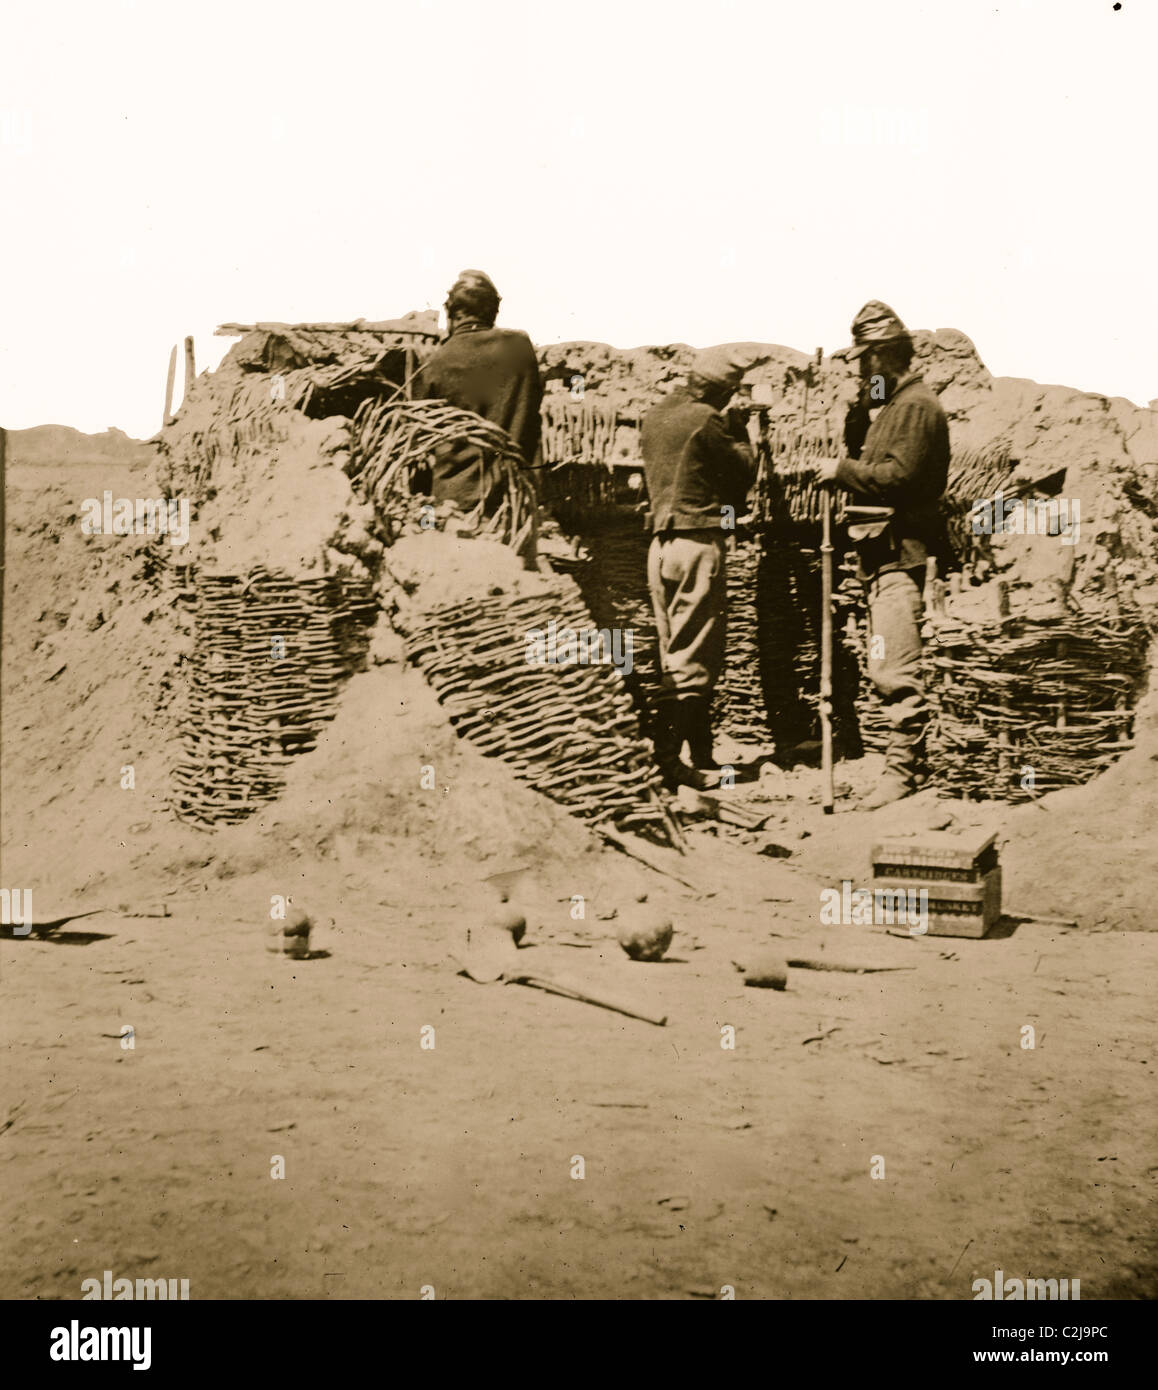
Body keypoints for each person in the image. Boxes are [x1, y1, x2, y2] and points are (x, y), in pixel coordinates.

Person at [817, 300, 950, 810]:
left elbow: (901, 476)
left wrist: (841, 472)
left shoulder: (916, 406)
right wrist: (859, 412)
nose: (860, 372)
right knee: (882, 663)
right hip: (881, 558)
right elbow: (875, 447)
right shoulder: (891, 405)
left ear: (884, 357)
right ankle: (898, 765)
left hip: (903, 557)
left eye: (865, 362)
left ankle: (903, 773)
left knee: (894, 667)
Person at [641, 347, 755, 789]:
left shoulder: (655, 415)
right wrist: (742, 432)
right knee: (695, 658)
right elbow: (744, 472)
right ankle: (669, 763)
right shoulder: (710, 423)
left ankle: (699, 754)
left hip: (660, 545)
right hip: (696, 544)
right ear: (723, 390)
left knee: (676, 653)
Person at [414, 270, 543, 552]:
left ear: (451, 313)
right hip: (511, 507)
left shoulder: (434, 363)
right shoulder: (520, 350)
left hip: (452, 508)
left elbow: (417, 444)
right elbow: (532, 412)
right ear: (493, 311)